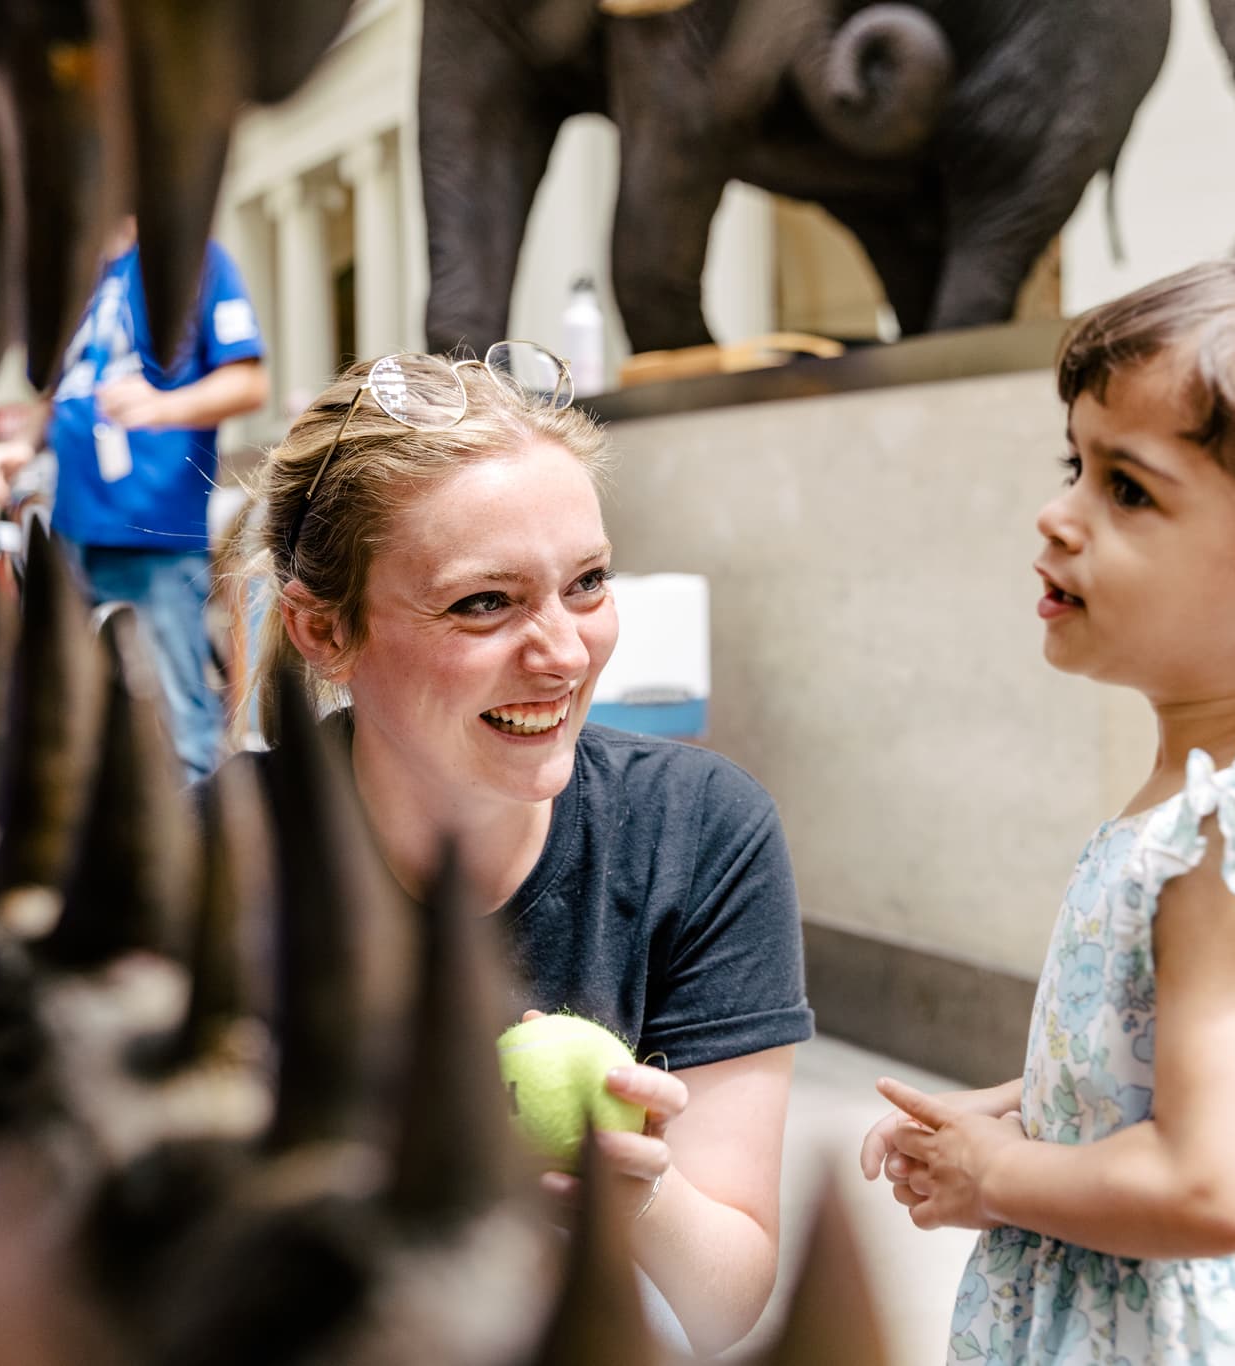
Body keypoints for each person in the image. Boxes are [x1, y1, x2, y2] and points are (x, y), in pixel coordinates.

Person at [859, 241, 1235, 1363]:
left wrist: (995, 1174)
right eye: (1075, 464)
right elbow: (1178, 1062)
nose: (1057, 515)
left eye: (1127, 488)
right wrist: (1029, 1109)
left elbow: (1207, 1185)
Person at [214, 345, 812, 1355]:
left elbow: (723, 1308)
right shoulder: (217, 860)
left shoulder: (699, 832)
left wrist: (637, 1188)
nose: (564, 653)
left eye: (587, 583)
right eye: (483, 603)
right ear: (322, 630)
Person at [0, 222, 268, 781]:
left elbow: (248, 382)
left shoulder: (188, 256)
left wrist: (162, 407)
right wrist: (23, 443)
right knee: (72, 713)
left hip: (155, 533)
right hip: (73, 531)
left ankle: (195, 826)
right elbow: (65, 386)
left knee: (180, 725)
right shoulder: (83, 268)